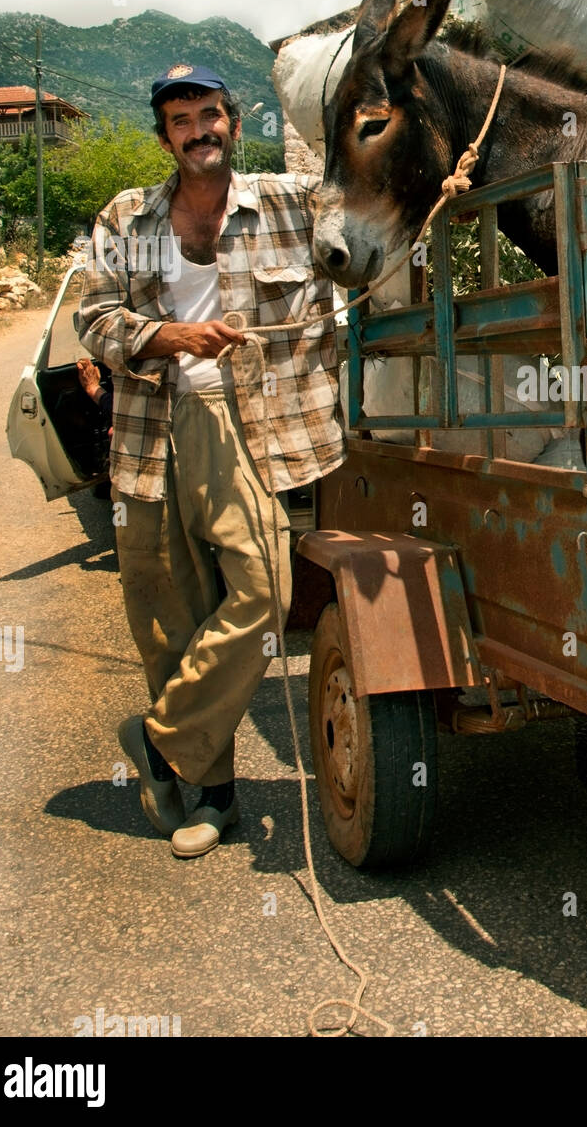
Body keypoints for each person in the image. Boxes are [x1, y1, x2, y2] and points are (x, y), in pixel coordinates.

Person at [76, 64, 344, 857]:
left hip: (245, 420)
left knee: (264, 589)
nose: (200, 130)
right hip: (150, 429)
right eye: (182, 120)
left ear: (233, 120)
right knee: (169, 625)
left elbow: (374, 202)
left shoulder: (290, 201)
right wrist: (169, 336)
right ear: (165, 137)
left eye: (211, 114)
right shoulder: (128, 217)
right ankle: (209, 798)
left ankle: (160, 743)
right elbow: (93, 319)